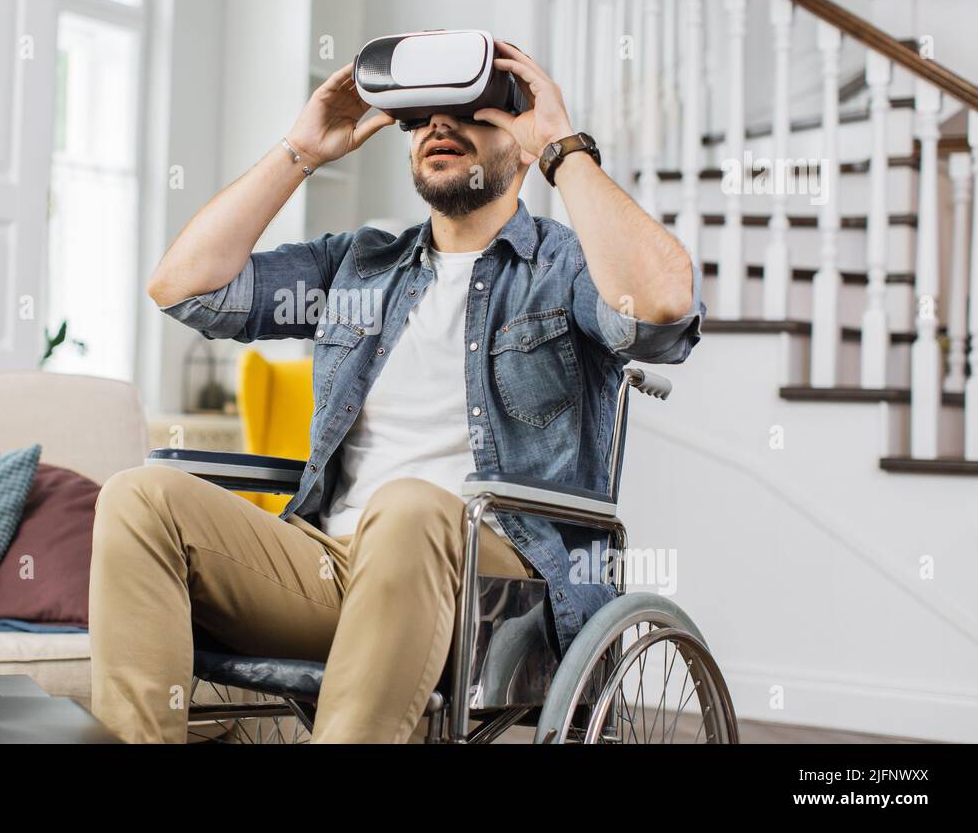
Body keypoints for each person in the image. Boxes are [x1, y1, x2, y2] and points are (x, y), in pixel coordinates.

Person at [90, 40, 703, 743]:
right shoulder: (359, 266)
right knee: (138, 498)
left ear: (524, 140)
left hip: (499, 589)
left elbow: (661, 305)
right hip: (336, 567)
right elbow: (184, 288)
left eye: (471, 110)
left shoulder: (565, 265)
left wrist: (565, 147)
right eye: (421, 116)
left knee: (408, 507)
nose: (440, 126)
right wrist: (302, 150)